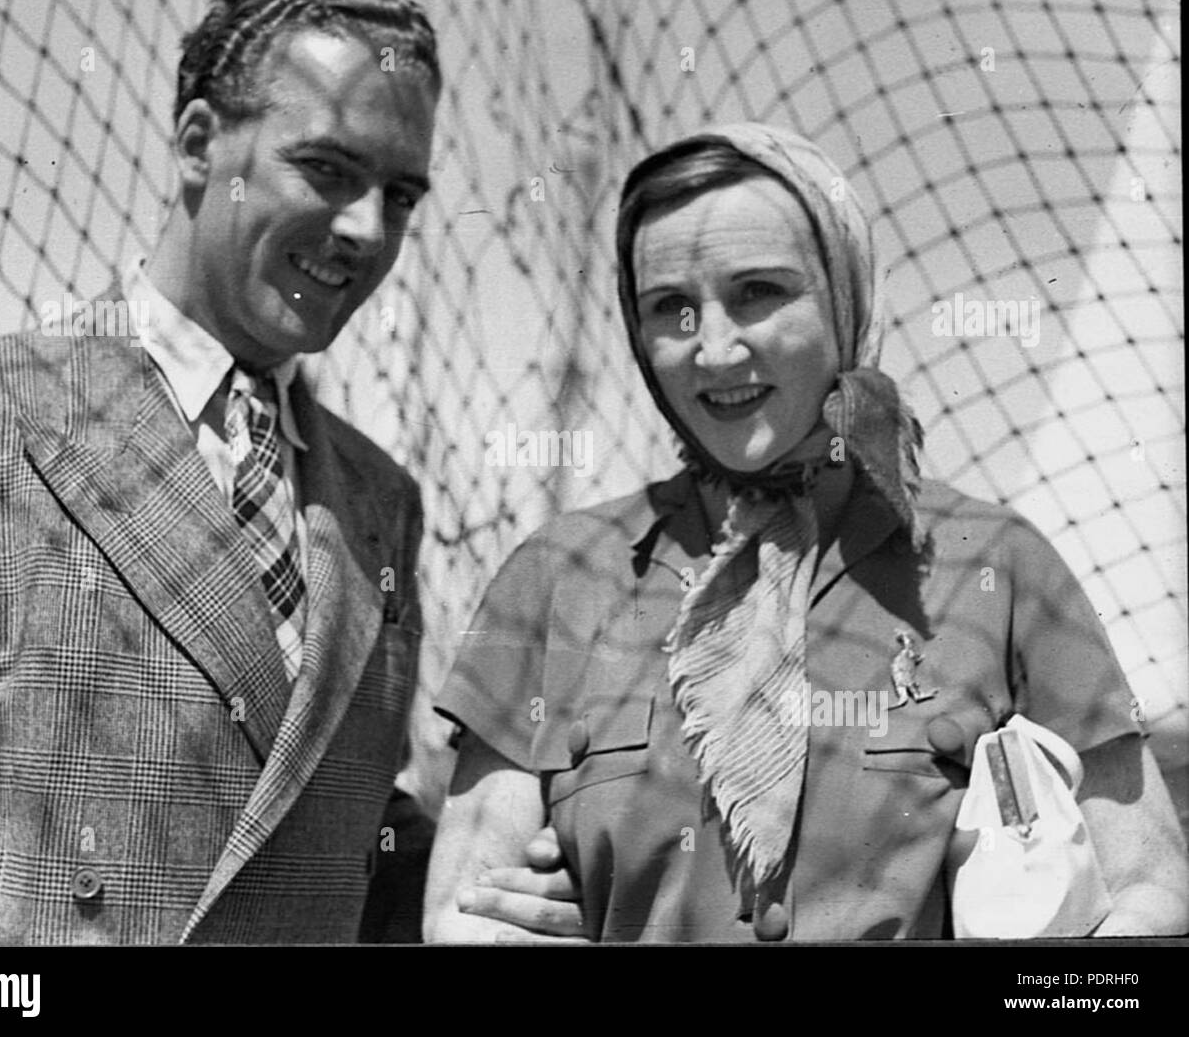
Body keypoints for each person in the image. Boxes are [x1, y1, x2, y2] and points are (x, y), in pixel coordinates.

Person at [0, 0, 558, 945]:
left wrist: (501, 876)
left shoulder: (380, 498)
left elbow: (321, 824)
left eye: (402, 194)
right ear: (201, 144)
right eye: (327, 169)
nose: (367, 231)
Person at [425, 121, 1189, 941]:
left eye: (760, 291)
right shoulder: (556, 575)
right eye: (670, 309)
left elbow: (1145, 888)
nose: (715, 349)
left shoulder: (999, 565)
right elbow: (461, 911)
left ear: (846, 295)